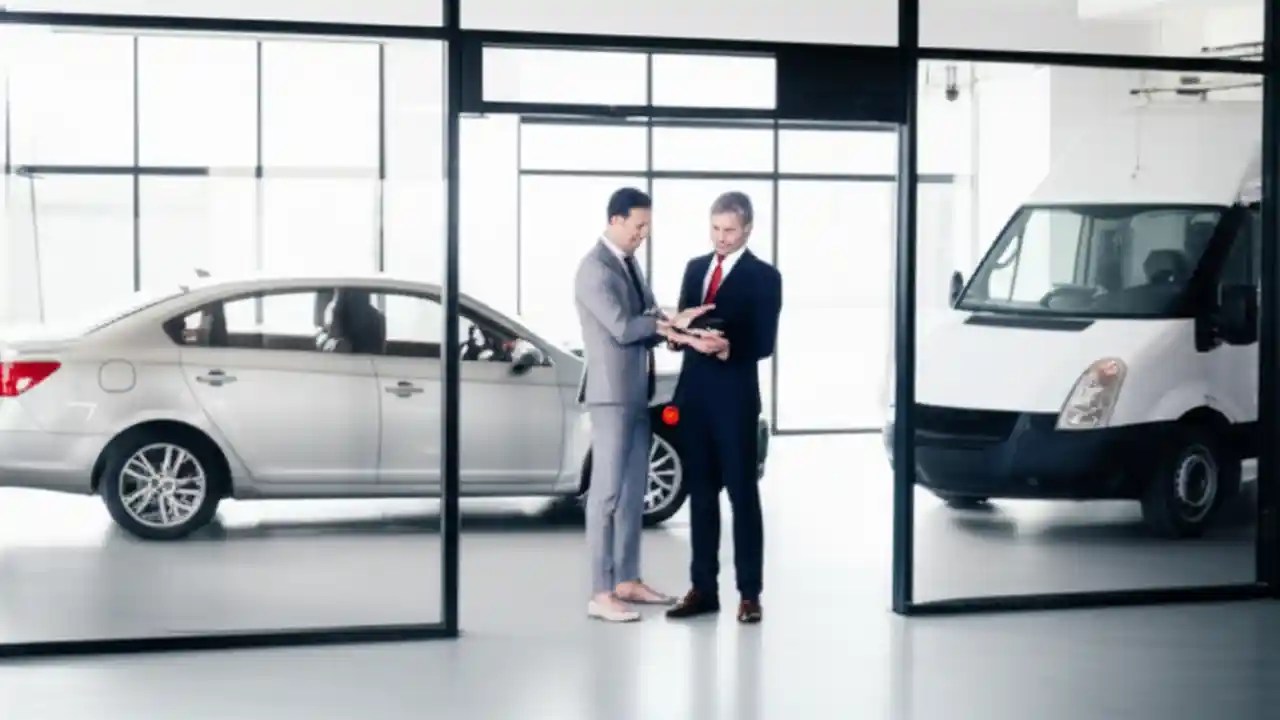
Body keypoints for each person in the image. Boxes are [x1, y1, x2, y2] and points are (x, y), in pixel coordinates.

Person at [573, 186, 712, 623]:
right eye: (638, 225)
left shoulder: (628, 263)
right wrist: (666, 327)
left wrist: (676, 323)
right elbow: (621, 326)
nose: (643, 234)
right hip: (611, 395)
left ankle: (627, 579)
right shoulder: (594, 269)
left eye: (647, 226)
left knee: (634, 490)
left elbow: (647, 316)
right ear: (615, 220)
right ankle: (600, 592)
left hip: (637, 392)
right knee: (606, 494)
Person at [664, 191, 782, 624]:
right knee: (700, 495)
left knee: (742, 495)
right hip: (694, 398)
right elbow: (681, 327)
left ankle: (749, 594)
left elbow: (764, 342)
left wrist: (728, 347)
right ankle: (703, 589)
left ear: (747, 229)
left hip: (735, 401)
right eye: (715, 229)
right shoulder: (695, 268)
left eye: (729, 230)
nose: (721, 238)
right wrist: (676, 336)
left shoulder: (764, 277)